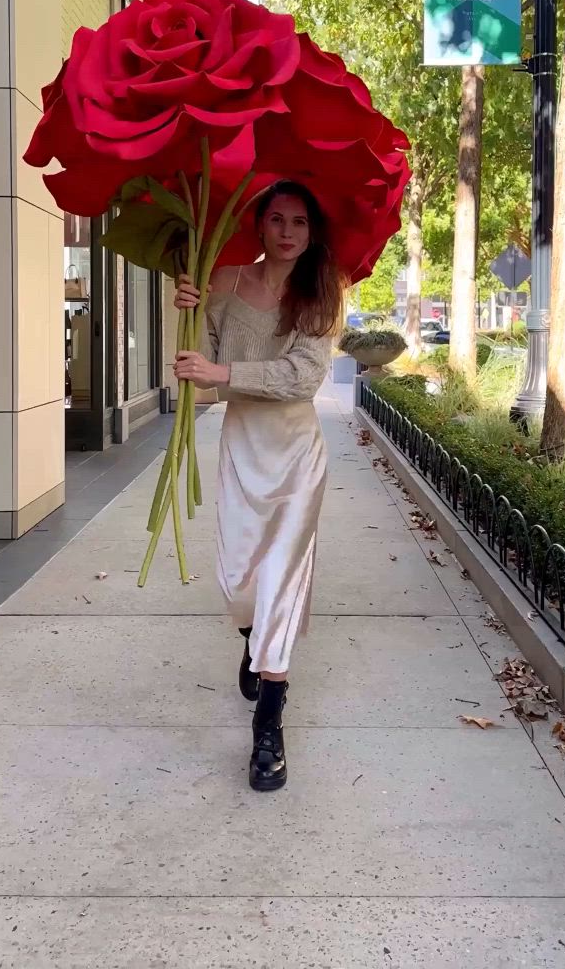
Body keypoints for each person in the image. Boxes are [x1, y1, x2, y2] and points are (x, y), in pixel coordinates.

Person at [173, 181, 345, 792]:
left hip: (297, 456)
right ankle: (253, 641)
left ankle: (269, 721)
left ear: (312, 230)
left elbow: (302, 377)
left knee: (281, 582)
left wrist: (221, 371)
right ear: (260, 224)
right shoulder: (221, 283)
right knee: (239, 575)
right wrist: (188, 320)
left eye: (300, 220)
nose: (289, 230)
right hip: (241, 449)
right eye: (278, 218)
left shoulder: (324, 294)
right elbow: (199, 383)